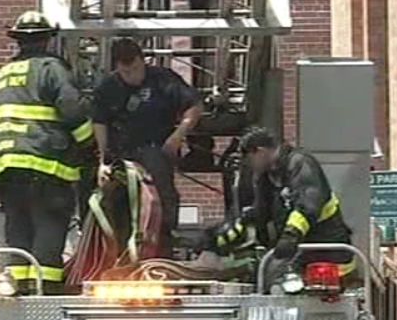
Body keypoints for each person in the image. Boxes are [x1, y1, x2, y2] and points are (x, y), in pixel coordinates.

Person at [0, 10, 95, 292]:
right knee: (49, 227)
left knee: (19, 231)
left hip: (5, 169)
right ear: (47, 40)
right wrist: (90, 145)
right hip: (45, 165)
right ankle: (47, 292)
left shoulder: (1, 75)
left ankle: (20, 288)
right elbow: (72, 109)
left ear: (19, 41)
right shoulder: (51, 68)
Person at [200, 125, 356, 285]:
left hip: (328, 254)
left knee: (306, 288)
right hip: (298, 255)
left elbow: (308, 205)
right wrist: (229, 233)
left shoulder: (300, 163)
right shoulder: (267, 177)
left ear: (260, 151)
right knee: (267, 280)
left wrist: (290, 235)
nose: (248, 164)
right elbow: (261, 213)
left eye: (248, 158)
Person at [91, 37, 202, 247]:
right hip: (122, 156)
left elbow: (194, 106)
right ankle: (123, 251)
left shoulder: (163, 79)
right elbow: (99, 123)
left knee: (161, 199)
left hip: (156, 150)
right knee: (118, 205)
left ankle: (163, 243)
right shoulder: (108, 88)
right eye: (125, 72)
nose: (131, 76)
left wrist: (178, 136)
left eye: (135, 69)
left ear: (143, 61)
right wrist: (102, 161)